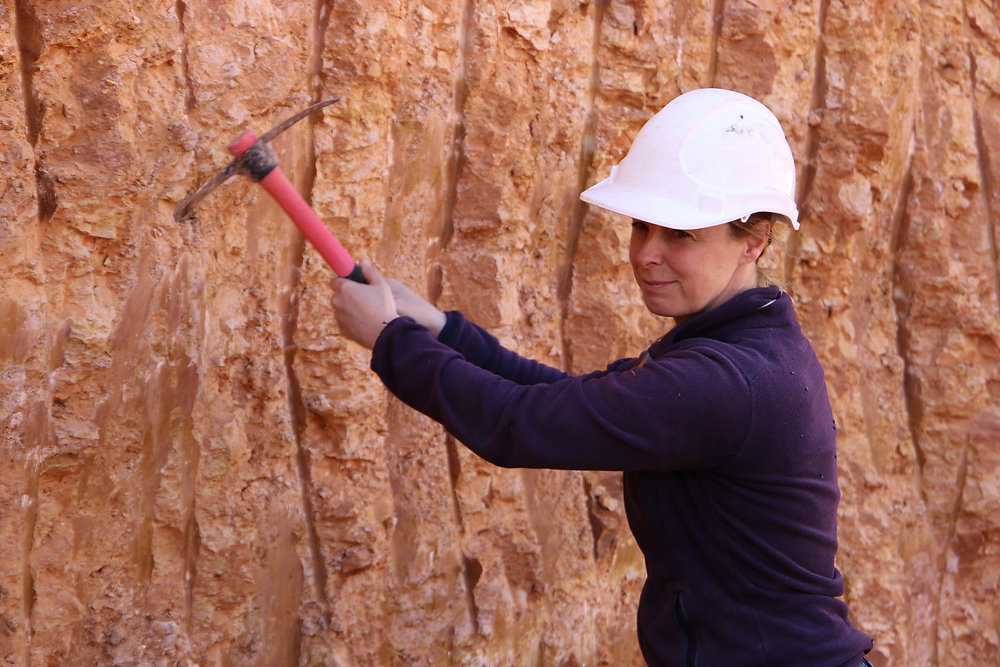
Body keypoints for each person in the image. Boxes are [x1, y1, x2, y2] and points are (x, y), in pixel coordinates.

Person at [331, 88, 875, 666]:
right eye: (643, 226)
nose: (646, 253)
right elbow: (559, 398)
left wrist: (393, 341)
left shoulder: (728, 382)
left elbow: (519, 426)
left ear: (755, 242)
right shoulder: (738, 348)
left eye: (680, 234)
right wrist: (436, 327)